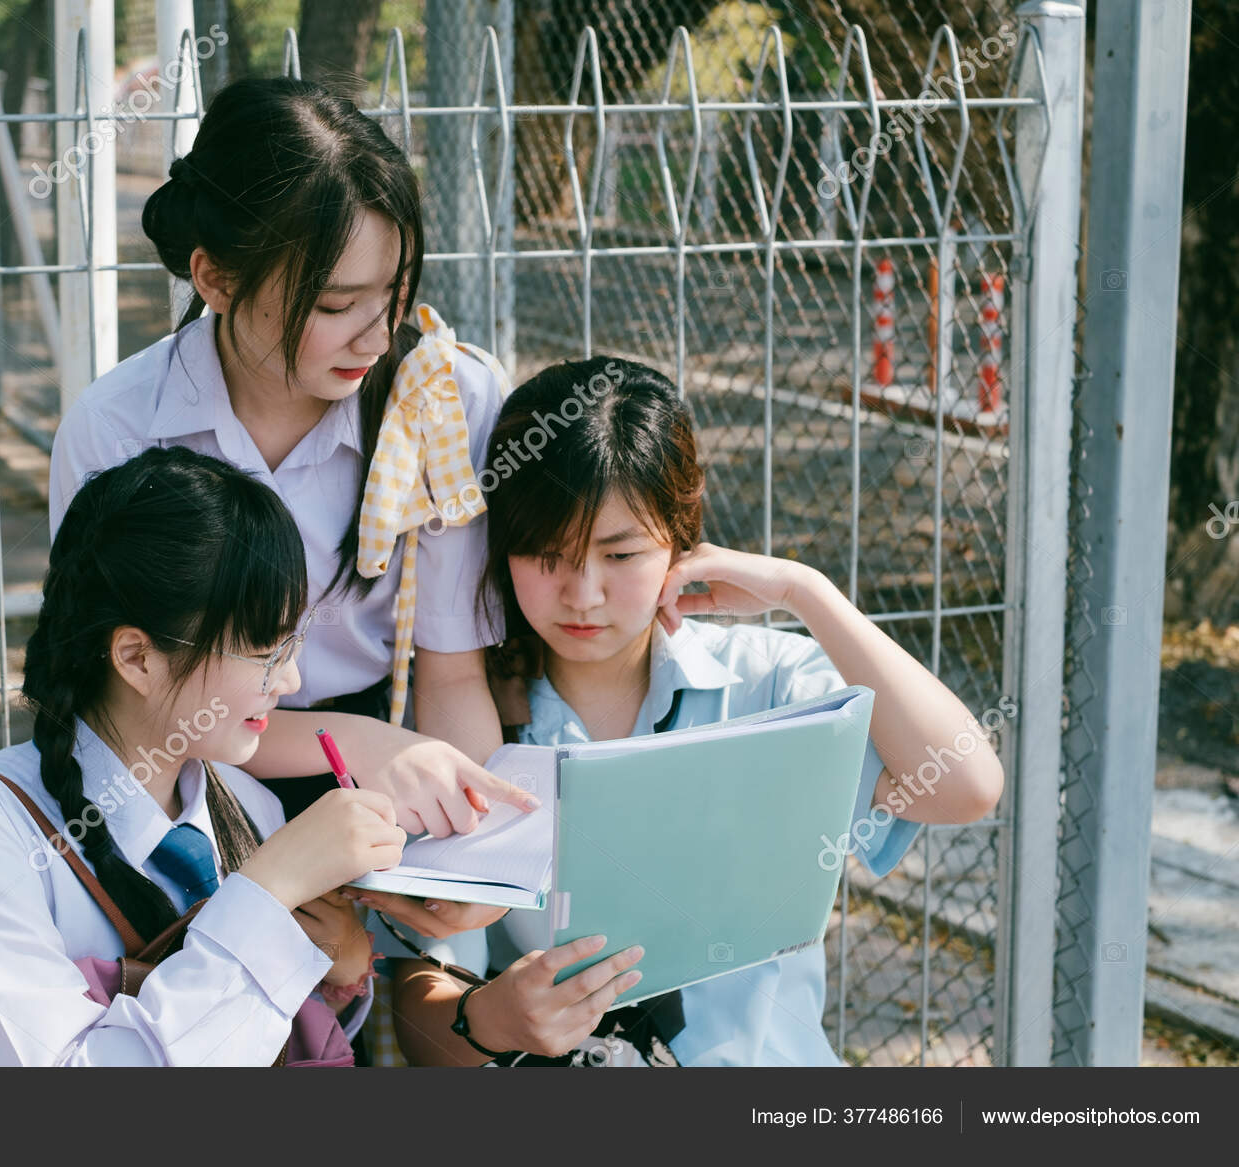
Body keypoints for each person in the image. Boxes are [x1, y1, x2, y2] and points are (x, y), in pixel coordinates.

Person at [368, 357, 1006, 1066]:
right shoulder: (472, 714)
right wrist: (489, 1019)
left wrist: (805, 592)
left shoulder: (764, 684)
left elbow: (967, 784)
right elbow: (421, 989)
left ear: (679, 528)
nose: (583, 593)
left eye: (620, 553)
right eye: (547, 554)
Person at [48, 76, 533, 859]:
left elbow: (451, 676)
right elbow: (123, 714)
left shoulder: (442, 399)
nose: (377, 339)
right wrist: (353, 743)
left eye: (396, 292)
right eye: (336, 306)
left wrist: (460, 871)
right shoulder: (120, 431)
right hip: (188, 785)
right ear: (215, 279)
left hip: (400, 766)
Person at [0, 446, 407, 1065]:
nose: (291, 680)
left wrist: (343, 970)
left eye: (293, 641)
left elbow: (286, 1043)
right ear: (137, 658)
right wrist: (267, 896)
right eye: (264, 649)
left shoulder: (248, 804)